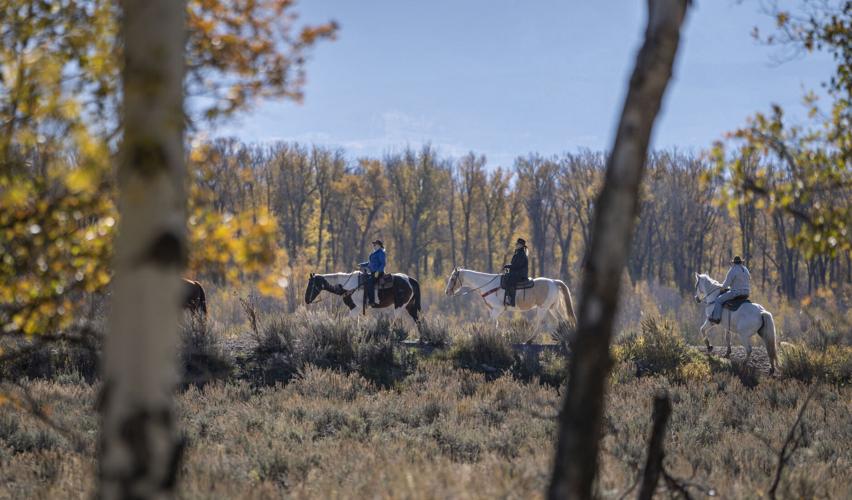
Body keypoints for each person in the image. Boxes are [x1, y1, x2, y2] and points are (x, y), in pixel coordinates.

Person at [710, 256, 751, 324]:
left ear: (734, 263)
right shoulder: (745, 269)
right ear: (741, 262)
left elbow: (725, 285)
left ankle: (716, 318)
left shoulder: (733, 269)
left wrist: (719, 286)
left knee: (718, 300)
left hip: (736, 293)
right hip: (746, 293)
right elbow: (748, 279)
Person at [502, 238, 529, 306]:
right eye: (516, 244)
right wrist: (508, 267)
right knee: (506, 277)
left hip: (521, 274)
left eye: (517, 244)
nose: (516, 245)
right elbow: (514, 265)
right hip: (516, 272)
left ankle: (511, 300)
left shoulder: (522, 254)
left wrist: (508, 266)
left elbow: (517, 266)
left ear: (521, 245)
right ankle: (507, 297)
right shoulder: (517, 253)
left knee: (510, 280)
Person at [359, 240, 386, 306]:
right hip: (373, 273)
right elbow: (370, 263)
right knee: (364, 280)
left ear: (379, 245)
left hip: (378, 273)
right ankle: (365, 298)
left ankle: (371, 301)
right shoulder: (375, 253)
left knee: (370, 282)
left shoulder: (381, 253)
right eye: (373, 245)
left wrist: (378, 272)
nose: (373, 246)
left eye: (375, 245)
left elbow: (383, 264)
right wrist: (362, 265)